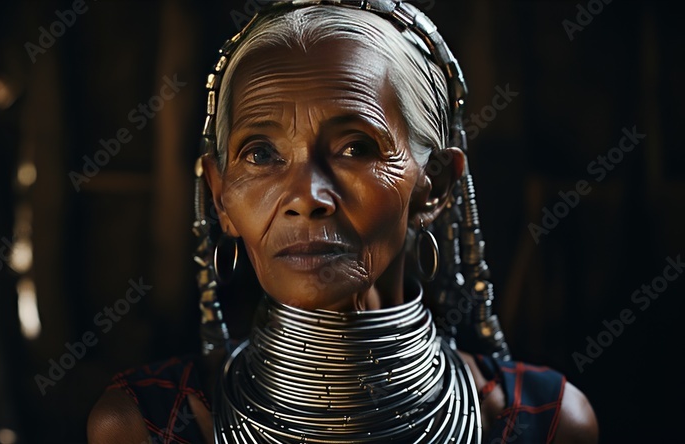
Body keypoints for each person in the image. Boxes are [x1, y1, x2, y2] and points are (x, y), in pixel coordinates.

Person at [88, 1, 598, 442]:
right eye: (260, 153)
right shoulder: (145, 425)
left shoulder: (545, 422)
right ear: (220, 197)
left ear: (434, 186)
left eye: (355, 147)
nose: (306, 198)